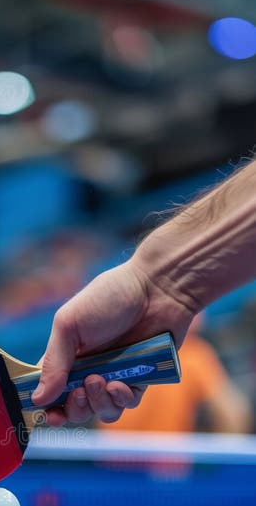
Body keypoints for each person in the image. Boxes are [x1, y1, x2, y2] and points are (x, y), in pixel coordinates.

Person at [32, 158, 256, 426]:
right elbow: (232, 415)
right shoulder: (187, 356)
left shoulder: (196, 358)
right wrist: (154, 284)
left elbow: (231, 415)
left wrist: (156, 283)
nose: (202, 316)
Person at [100, 316, 252, 434]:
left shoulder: (195, 354)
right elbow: (234, 415)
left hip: (127, 464)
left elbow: (233, 414)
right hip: (130, 464)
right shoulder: (195, 353)